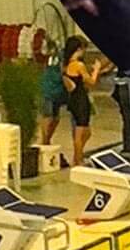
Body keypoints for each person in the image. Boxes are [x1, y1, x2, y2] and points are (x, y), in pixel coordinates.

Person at [41, 36, 103, 166]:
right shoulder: (78, 65)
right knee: (80, 134)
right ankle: (78, 159)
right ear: (79, 49)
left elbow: (71, 85)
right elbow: (91, 82)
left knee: (85, 132)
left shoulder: (66, 65)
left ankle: (77, 156)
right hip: (80, 100)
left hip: (73, 99)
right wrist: (97, 69)